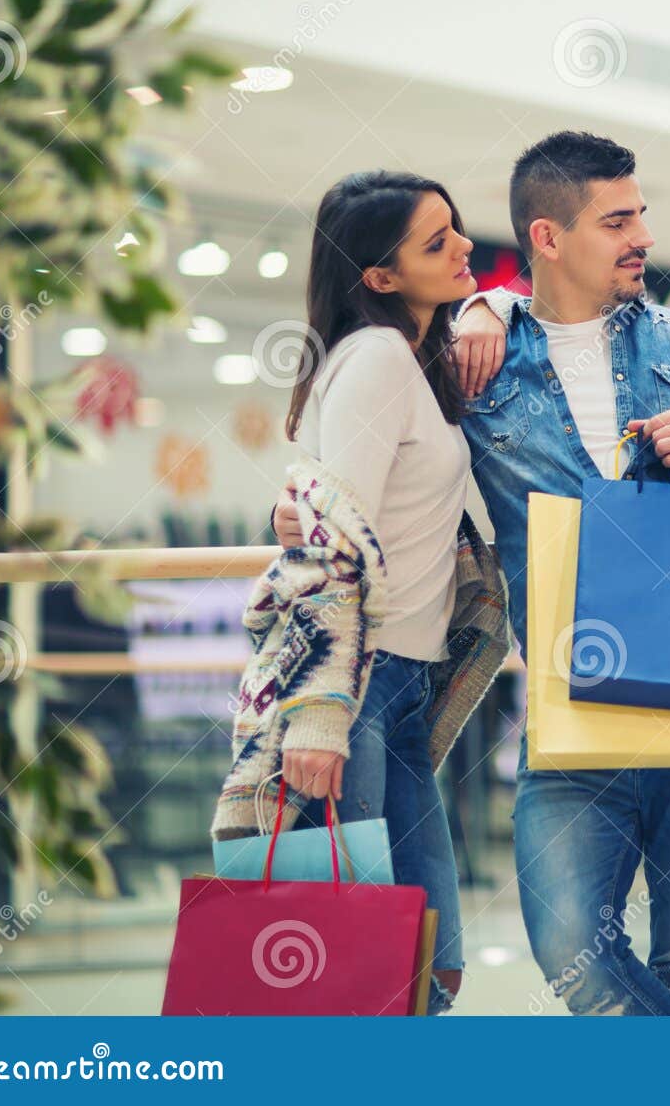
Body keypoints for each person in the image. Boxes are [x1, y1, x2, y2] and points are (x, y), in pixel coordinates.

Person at [283, 131, 670, 1015]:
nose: (642, 237)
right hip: (569, 709)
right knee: (575, 953)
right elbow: (365, 478)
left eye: (641, 214)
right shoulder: (472, 368)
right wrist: (484, 310)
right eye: (617, 221)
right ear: (548, 237)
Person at [257, 169, 509, 1015]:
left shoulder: (411, 357)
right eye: (436, 243)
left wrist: (482, 308)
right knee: (370, 970)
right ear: (379, 277)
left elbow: (327, 506)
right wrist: (320, 714)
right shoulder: (374, 360)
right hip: (356, 689)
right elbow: (332, 545)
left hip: (397, 688)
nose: (464, 247)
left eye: (456, 229)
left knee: (427, 959)